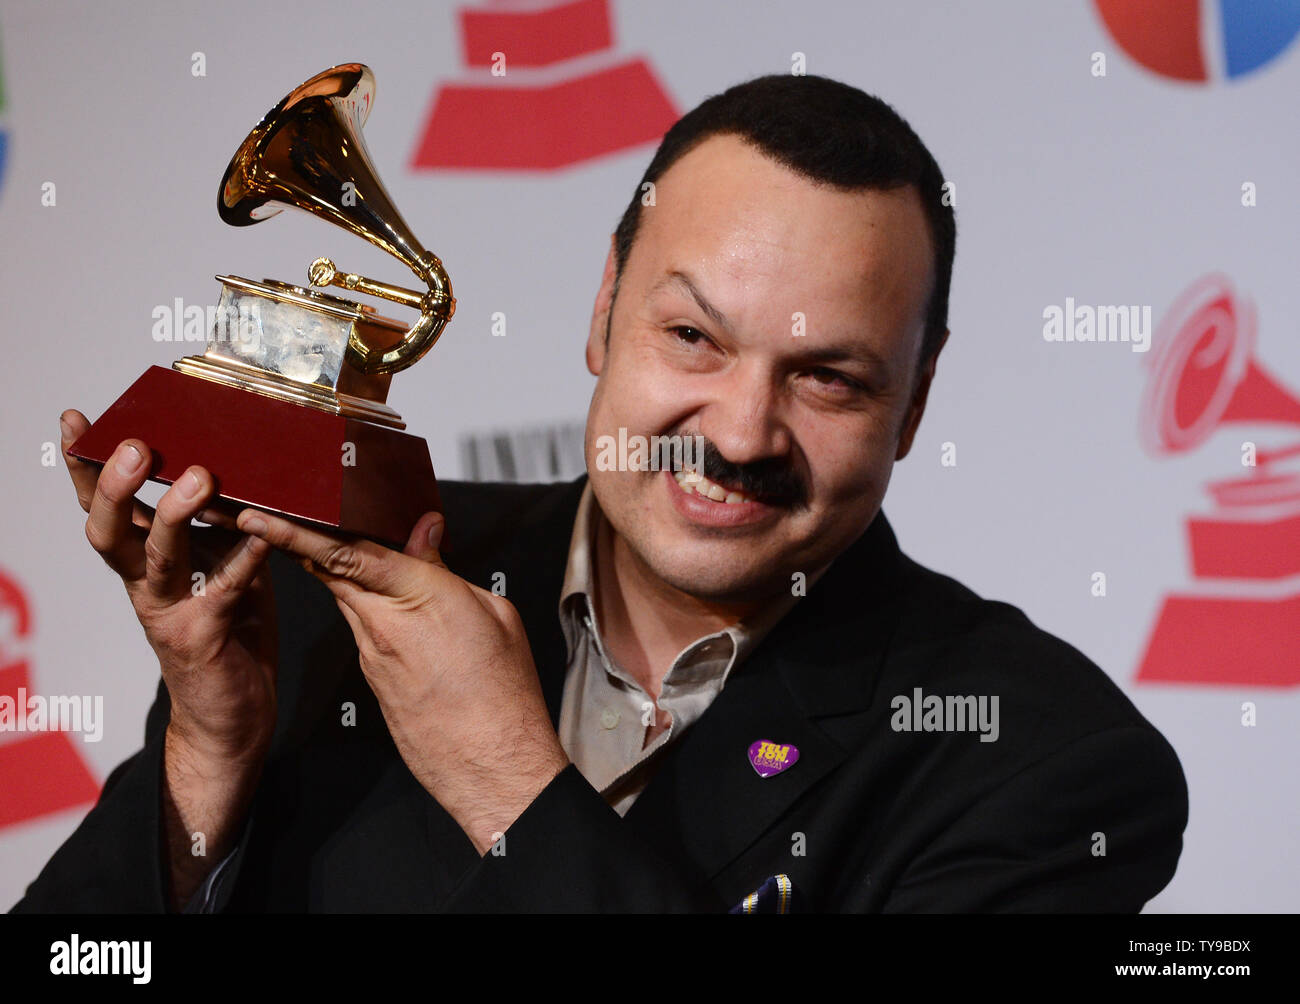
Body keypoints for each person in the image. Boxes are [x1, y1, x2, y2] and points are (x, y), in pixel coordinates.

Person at [15, 74, 1187, 913]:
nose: (737, 430)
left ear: (915, 402)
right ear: (601, 312)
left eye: (826, 376)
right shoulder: (335, 571)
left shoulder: (1049, 764)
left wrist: (510, 783)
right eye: (691, 335)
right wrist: (207, 762)